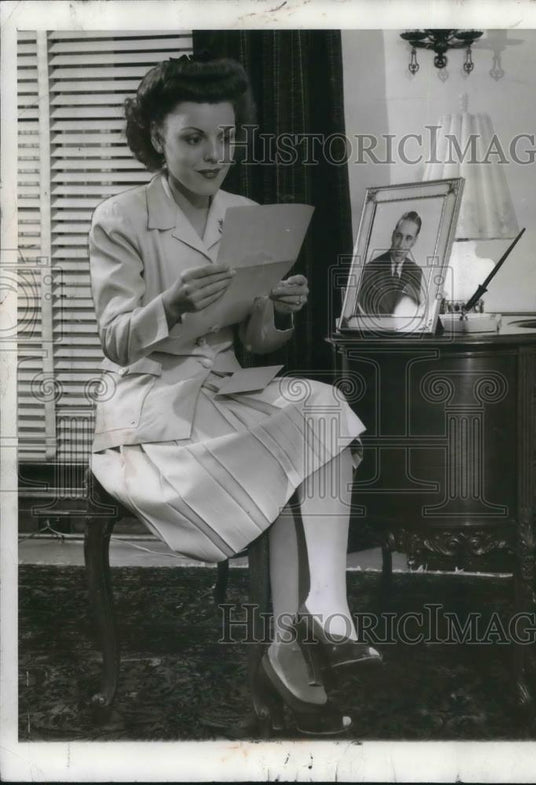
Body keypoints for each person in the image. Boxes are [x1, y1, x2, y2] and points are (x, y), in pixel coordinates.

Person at [88, 54, 380, 736]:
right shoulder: (120, 216)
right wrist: (168, 302)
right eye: (194, 138)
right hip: (150, 409)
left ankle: (326, 611)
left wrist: (278, 308)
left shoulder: (246, 213)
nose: (214, 154)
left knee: (322, 407)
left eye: (226, 138)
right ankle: (289, 647)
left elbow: (259, 341)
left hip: (224, 390)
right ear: (157, 135)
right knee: (291, 460)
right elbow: (115, 339)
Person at [356, 211, 424, 316]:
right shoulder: (370, 269)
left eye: (408, 238)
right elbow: (363, 311)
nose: (401, 245)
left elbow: (411, 311)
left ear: (414, 241)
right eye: (398, 236)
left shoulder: (416, 272)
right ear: (393, 235)